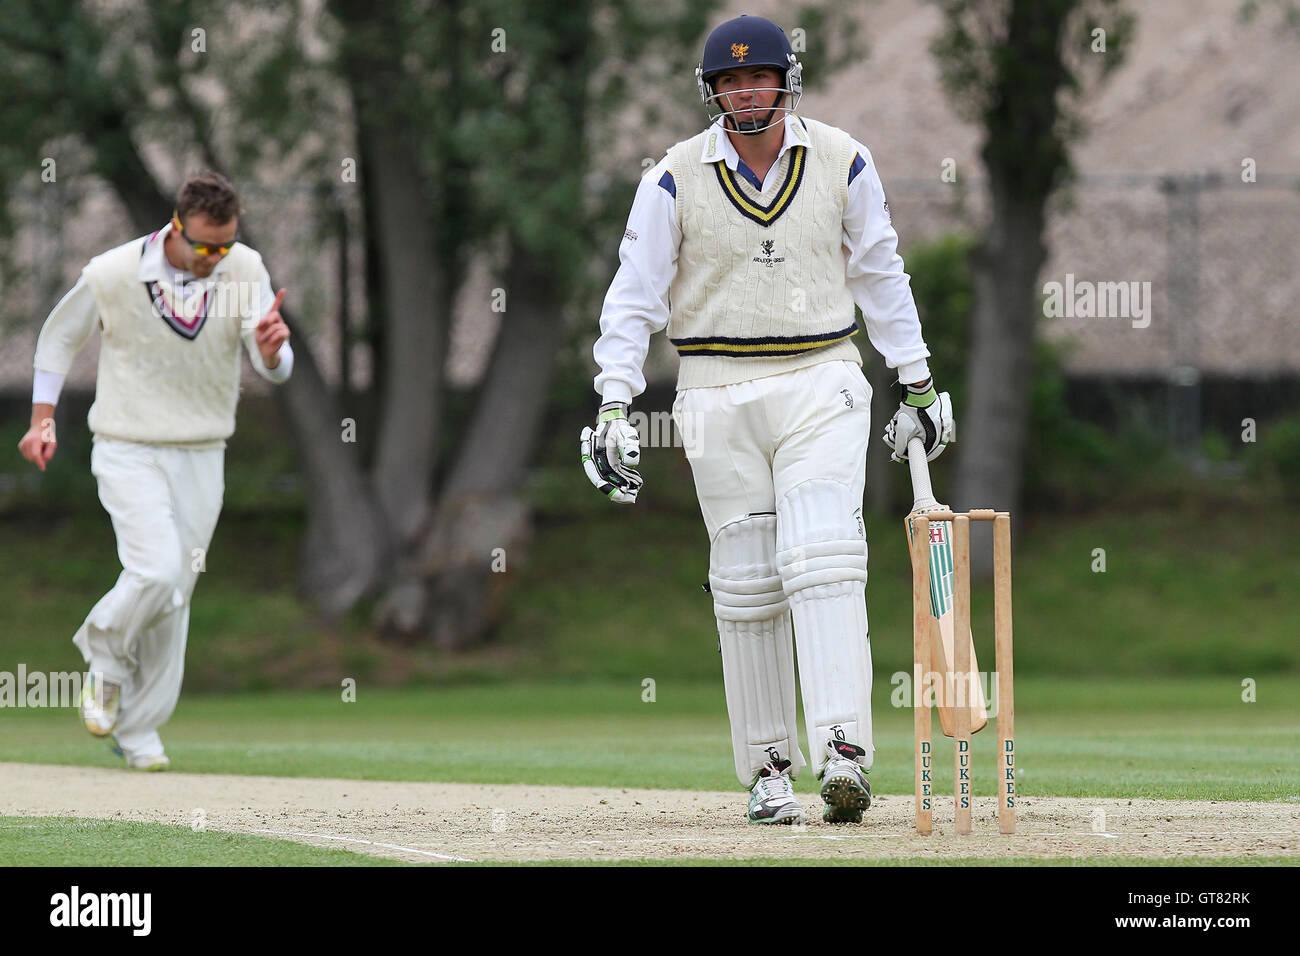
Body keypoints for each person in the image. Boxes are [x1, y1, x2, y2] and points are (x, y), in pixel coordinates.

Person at [582, 16, 953, 824]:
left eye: (759, 79)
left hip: (822, 376)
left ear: (787, 83)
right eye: (729, 81)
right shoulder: (672, 177)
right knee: (747, 581)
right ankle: (768, 772)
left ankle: (844, 753)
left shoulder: (844, 159)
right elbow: (633, 297)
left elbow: (880, 271)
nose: (744, 93)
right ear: (711, 89)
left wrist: (918, 381)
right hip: (713, 390)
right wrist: (615, 398)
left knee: (822, 554)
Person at [17, 170, 294, 771]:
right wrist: (42, 419)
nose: (214, 258)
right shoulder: (115, 272)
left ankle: (139, 731)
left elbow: (271, 362)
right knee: (157, 568)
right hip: (127, 444)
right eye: (203, 246)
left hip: (202, 451)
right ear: (176, 227)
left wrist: (275, 353)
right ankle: (107, 666)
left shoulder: (243, 268)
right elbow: (58, 338)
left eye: (224, 245)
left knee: (175, 594)